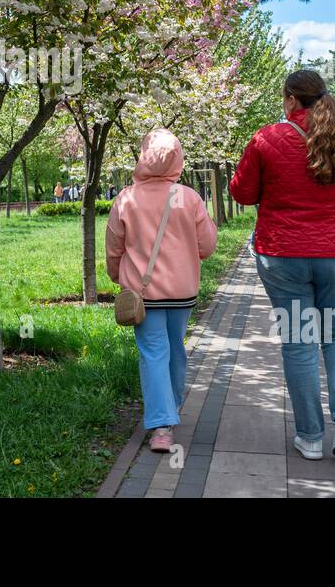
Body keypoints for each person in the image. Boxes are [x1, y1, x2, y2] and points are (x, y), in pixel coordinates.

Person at [229, 70, 335, 461]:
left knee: (298, 344)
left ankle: (311, 437)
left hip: (283, 254)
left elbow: (243, 193)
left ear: (291, 100)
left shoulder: (267, 138)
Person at [106, 129, 219, 454]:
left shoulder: (126, 198)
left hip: (144, 296)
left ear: (143, 157)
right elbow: (208, 246)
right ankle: (171, 407)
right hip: (182, 293)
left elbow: (114, 250)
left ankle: (160, 427)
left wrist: (119, 278)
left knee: (153, 353)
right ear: (177, 159)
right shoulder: (188, 197)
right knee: (175, 349)